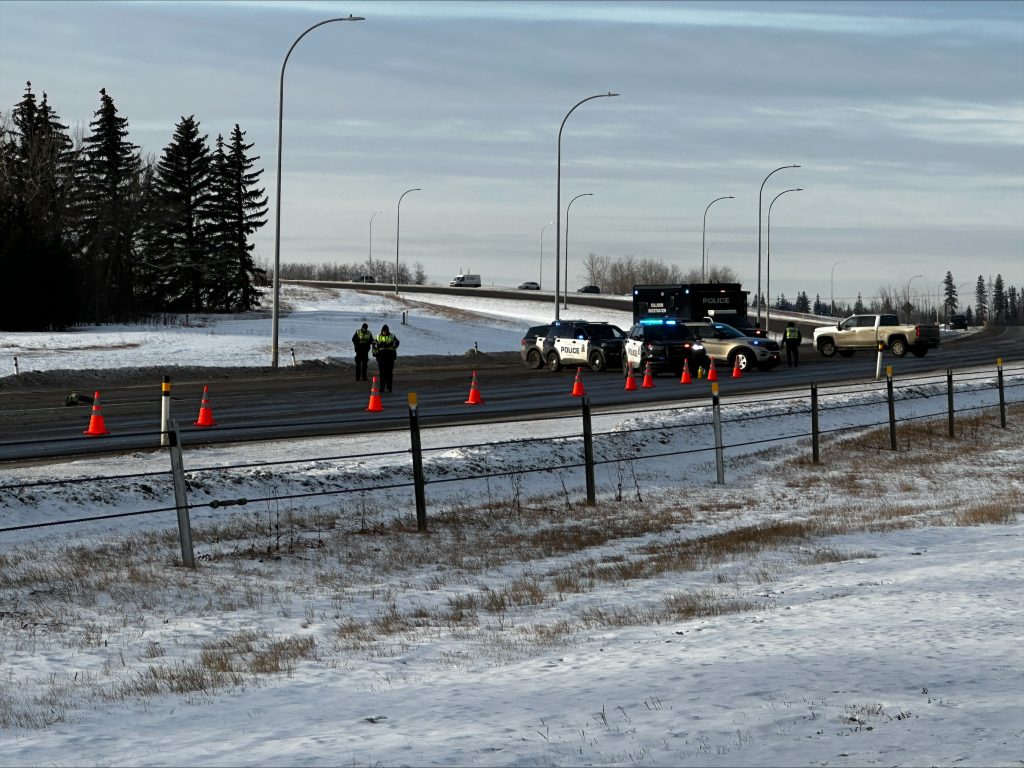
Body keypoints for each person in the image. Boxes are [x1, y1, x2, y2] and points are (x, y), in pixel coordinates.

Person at [374, 324, 400, 392]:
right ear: (381, 331)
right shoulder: (378, 336)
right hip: (381, 356)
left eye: (385, 331)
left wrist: (392, 346)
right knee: (382, 373)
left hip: (390, 356)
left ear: (388, 331)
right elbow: (374, 344)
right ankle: (382, 388)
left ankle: (389, 387)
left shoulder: (392, 336)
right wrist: (378, 348)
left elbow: (397, 342)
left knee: (389, 373)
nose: (384, 332)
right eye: (383, 331)